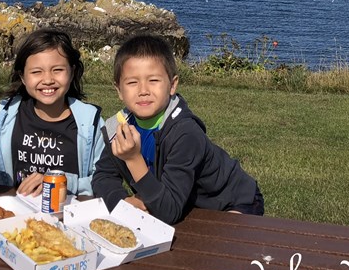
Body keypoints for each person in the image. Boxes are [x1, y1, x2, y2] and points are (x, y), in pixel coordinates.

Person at [91, 34, 264, 224]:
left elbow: (168, 212)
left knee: (215, 248)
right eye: (132, 82)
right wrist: (122, 203)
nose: (143, 90)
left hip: (231, 201)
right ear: (119, 90)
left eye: (154, 80)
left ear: (172, 85)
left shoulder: (185, 133)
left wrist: (133, 159)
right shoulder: (119, 127)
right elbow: (103, 176)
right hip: (179, 203)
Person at [0, 28, 104, 196]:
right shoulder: (8, 116)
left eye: (57, 70)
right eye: (36, 72)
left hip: (67, 216)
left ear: (71, 73)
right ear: (22, 77)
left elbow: (105, 180)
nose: (48, 80)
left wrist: (61, 183)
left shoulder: (90, 123)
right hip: (14, 215)